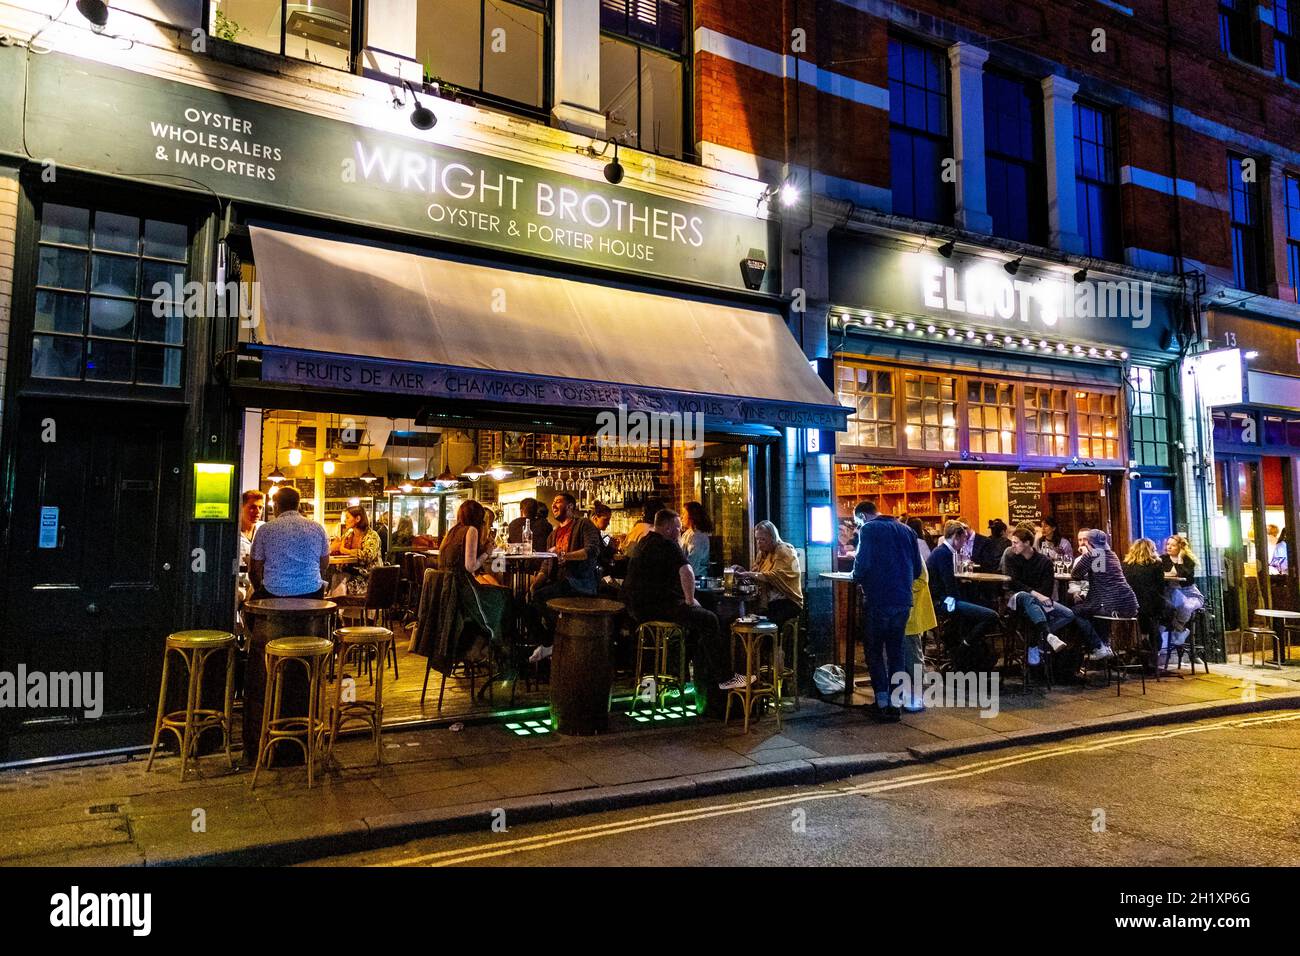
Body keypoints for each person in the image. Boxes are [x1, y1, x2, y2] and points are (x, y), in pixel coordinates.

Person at [622, 509, 750, 697]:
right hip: (659, 607)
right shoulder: (668, 544)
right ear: (667, 528)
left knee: (693, 625)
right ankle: (726, 678)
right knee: (709, 620)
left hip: (638, 610)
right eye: (677, 528)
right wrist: (690, 600)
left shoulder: (644, 542)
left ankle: (678, 676)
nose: (679, 532)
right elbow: (687, 572)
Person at [853, 500, 922, 721]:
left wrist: (856, 576)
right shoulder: (907, 529)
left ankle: (881, 700)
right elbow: (918, 568)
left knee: (873, 649)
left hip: (878, 599)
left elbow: (861, 564)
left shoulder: (868, 529)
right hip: (903, 599)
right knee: (896, 651)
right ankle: (895, 701)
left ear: (863, 516)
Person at [529, 493, 605, 659]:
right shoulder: (553, 535)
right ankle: (549, 641)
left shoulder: (583, 524)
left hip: (579, 583)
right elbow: (546, 565)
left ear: (570, 506)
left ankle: (557, 640)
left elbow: (592, 550)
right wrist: (535, 583)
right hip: (560, 582)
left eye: (558, 502)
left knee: (542, 597)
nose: (554, 505)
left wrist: (564, 555)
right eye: (553, 502)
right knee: (526, 602)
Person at [927, 520, 999, 667]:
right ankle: (964, 647)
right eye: (964, 539)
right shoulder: (945, 554)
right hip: (945, 602)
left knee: (977, 611)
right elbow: (949, 587)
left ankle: (966, 646)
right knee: (991, 616)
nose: (964, 542)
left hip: (943, 599)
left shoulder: (941, 552)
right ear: (956, 537)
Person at [1001, 527, 1075, 665]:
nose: (1012, 546)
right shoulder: (1012, 557)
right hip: (1017, 601)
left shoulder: (1044, 562)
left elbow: (1047, 590)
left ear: (1027, 543)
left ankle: (1039, 637)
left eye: (1016, 542)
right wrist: (1037, 595)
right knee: (1025, 596)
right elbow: (1014, 584)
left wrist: (1037, 597)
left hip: (1038, 602)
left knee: (1068, 614)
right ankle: (1046, 636)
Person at [249, 485, 330, 599]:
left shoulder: (265, 530)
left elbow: (254, 570)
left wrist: (259, 591)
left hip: (274, 593)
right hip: (312, 593)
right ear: (298, 504)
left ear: (276, 505)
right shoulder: (317, 528)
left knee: (250, 605)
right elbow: (324, 564)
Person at [1070, 529, 1137, 661]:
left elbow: (1075, 574)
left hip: (1112, 606)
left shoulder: (1093, 554)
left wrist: (1086, 554)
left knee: (1074, 612)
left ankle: (1098, 646)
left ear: (1089, 543)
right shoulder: (1112, 554)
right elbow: (1100, 576)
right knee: (1093, 612)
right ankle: (1105, 646)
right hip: (1130, 605)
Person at [734, 521, 803, 628]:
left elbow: (773, 576)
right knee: (745, 620)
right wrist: (744, 572)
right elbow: (757, 574)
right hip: (770, 602)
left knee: (763, 625)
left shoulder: (784, 550)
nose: (759, 542)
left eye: (763, 539)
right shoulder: (762, 553)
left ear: (772, 537)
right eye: (757, 539)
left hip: (788, 601)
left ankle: (772, 644)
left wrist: (747, 574)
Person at [1123, 538, 1172, 655]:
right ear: (1151, 550)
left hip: (1130, 605)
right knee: (1171, 609)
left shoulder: (1125, 565)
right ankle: (1156, 637)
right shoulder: (1156, 564)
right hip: (1150, 606)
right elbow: (1161, 588)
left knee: (1147, 614)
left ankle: (1144, 637)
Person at [1161, 534, 1204, 648]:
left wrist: (1180, 559)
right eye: (1168, 544)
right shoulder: (1163, 559)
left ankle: (1177, 632)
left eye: (1173, 545)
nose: (1169, 547)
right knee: (1164, 609)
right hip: (1171, 592)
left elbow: (1182, 575)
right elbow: (1160, 574)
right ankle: (1181, 630)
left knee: (1185, 606)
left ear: (1180, 547)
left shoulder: (1188, 560)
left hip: (1190, 593)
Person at [334, 505, 383, 597]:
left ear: (358, 518)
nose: (345, 520)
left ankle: (338, 607)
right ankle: (337, 607)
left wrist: (346, 551)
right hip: (353, 572)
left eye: (347, 517)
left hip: (369, 578)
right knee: (334, 575)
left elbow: (367, 556)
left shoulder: (372, 536)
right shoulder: (349, 534)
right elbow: (339, 547)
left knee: (339, 579)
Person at [681, 501, 714, 582]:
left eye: (684, 513)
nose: (682, 517)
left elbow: (693, 562)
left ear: (691, 516)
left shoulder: (698, 537)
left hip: (696, 579)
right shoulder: (687, 533)